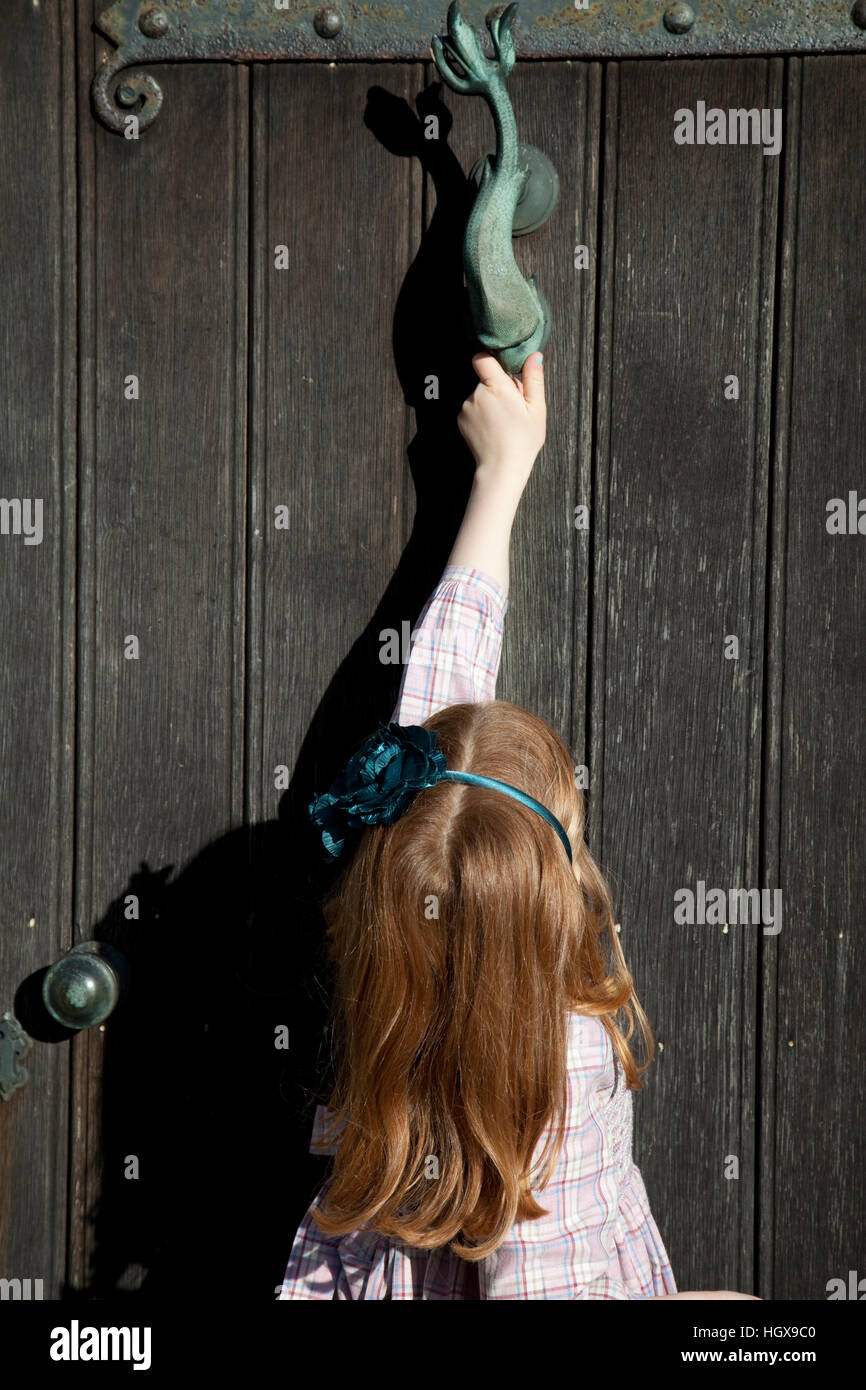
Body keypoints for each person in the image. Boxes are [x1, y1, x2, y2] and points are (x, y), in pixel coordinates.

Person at [278, 351, 759, 1300]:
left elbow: (448, 720)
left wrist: (500, 478)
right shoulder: (565, 1065)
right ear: (553, 875)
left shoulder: (400, 933)